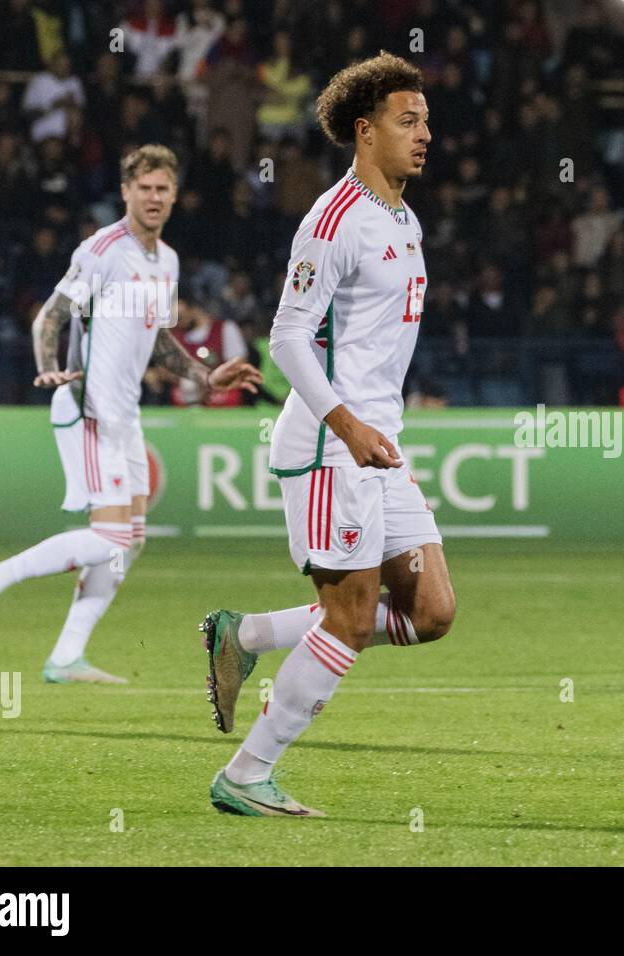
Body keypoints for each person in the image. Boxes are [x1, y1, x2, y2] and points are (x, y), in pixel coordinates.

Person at [199, 52, 455, 818]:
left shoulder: (402, 219)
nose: (425, 135)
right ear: (363, 131)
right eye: (408, 122)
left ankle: (246, 633)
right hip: (327, 446)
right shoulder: (331, 220)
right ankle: (246, 774)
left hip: (379, 447)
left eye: (427, 121)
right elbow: (286, 338)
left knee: (431, 611)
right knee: (350, 613)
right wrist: (346, 425)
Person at [0, 145, 260, 683]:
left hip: (125, 414)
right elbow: (51, 316)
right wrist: (50, 367)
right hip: (89, 406)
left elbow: (160, 338)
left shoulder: (166, 260)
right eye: (144, 188)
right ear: (125, 191)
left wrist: (205, 376)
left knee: (130, 540)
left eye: (163, 188)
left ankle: (67, 656)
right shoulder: (102, 248)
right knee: (111, 537)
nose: (154, 197)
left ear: (174, 195)